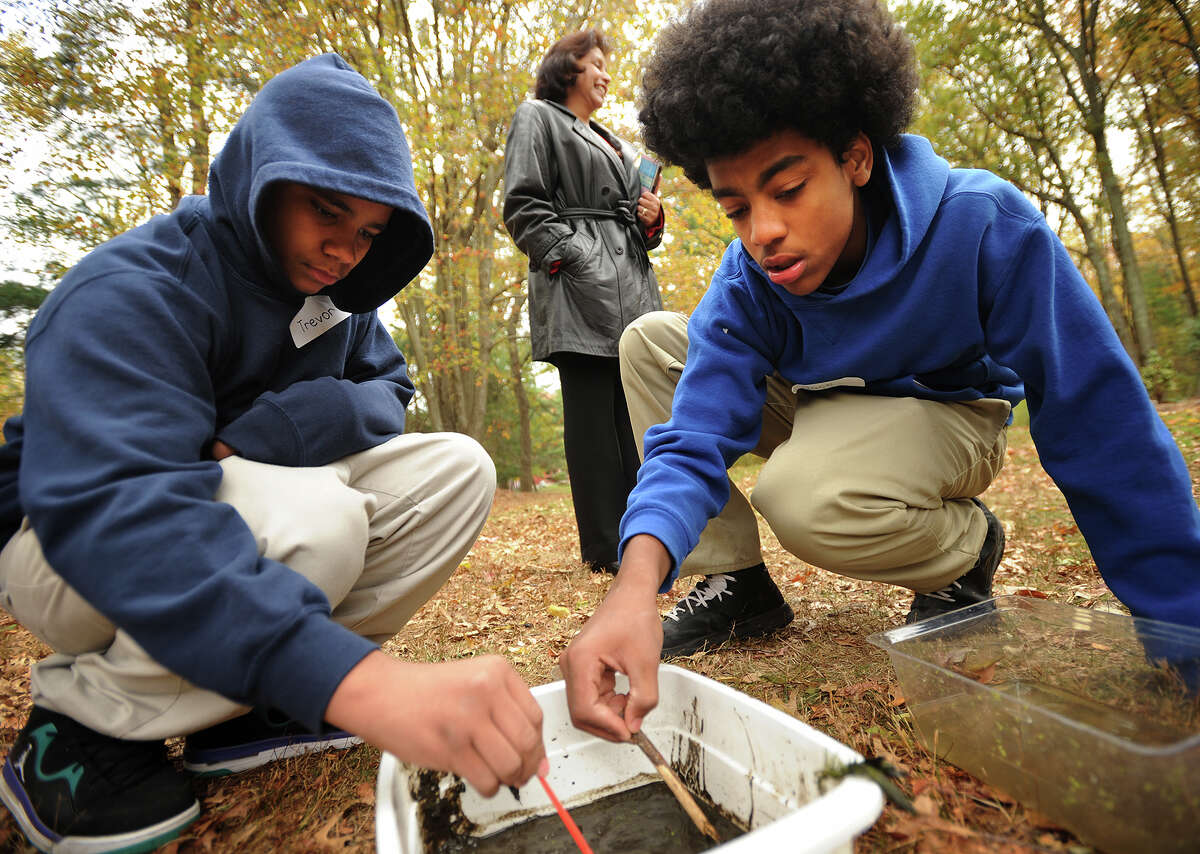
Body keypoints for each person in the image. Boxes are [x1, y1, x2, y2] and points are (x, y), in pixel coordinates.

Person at [559, 0, 1200, 741]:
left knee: (801, 493)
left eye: (788, 189)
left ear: (856, 158)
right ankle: (737, 578)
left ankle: (966, 550)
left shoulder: (985, 226)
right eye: (737, 208)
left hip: (951, 413)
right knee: (652, 341)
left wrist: (1182, 629)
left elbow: (1099, 420)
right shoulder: (751, 277)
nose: (764, 231)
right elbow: (694, 431)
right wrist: (635, 589)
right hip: (827, 405)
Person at [0, 54, 546, 853]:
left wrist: (286, 427)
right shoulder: (135, 288)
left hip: (237, 509)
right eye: (325, 211)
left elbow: (386, 389)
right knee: (319, 519)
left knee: (459, 469)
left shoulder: (334, 295)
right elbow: (120, 510)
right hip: (67, 543)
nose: (344, 251)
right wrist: (365, 688)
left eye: (368, 233)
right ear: (262, 175)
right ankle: (81, 733)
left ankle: (254, 707)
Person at [503, 28, 665, 575]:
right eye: (595, 63)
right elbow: (524, 204)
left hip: (632, 287)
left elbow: (635, 227)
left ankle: (639, 538)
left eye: (606, 65)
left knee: (630, 418)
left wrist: (651, 218)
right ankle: (603, 547)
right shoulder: (538, 117)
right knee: (594, 418)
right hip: (581, 287)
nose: (605, 74)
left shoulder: (614, 141)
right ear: (567, 67)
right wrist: (575, 259)